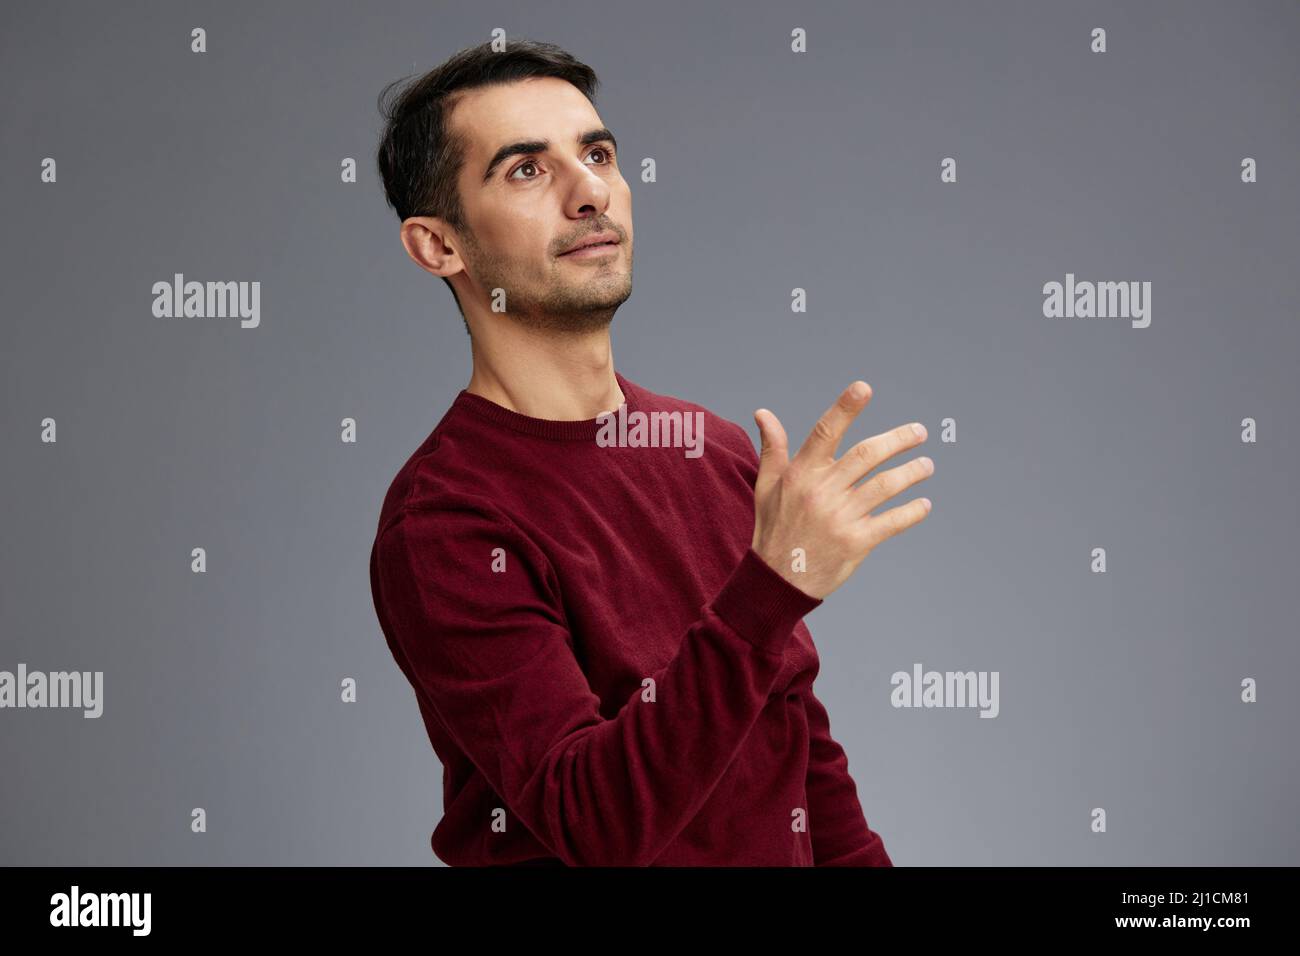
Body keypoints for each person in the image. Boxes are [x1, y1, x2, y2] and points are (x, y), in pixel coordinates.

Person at [368, 38, 934, 866]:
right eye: (526, 170)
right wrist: (768, 591)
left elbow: (805, 766)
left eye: (596, 154)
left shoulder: (715, 451)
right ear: (438, 246)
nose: (590, 191)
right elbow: (594, 824)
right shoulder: (444, 524)